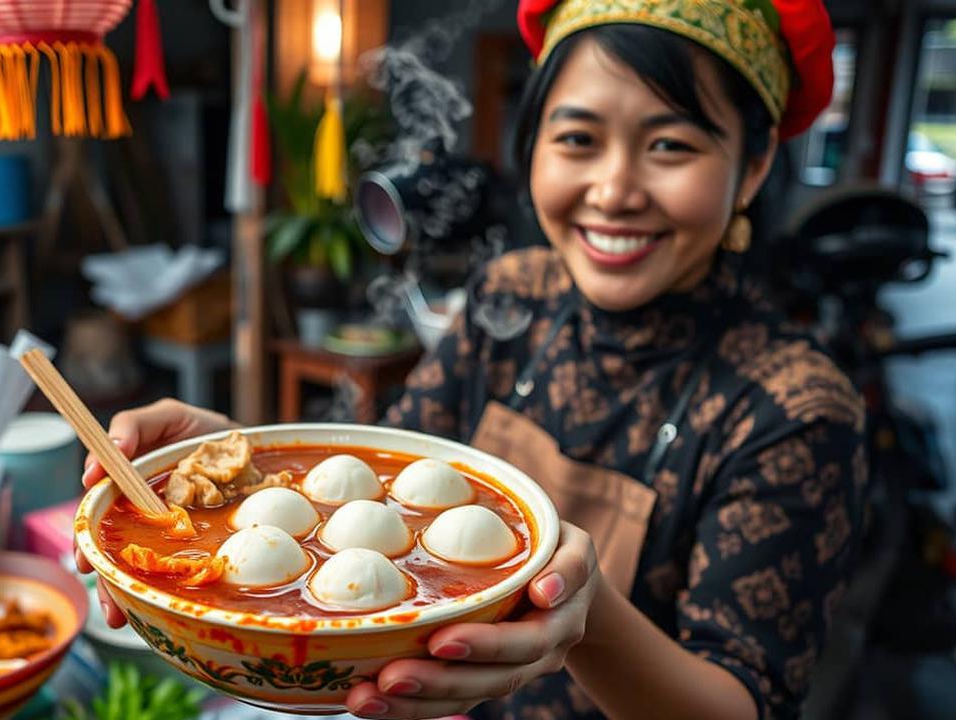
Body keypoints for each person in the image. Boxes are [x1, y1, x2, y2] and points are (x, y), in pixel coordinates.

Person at [78, 1, 866, 718]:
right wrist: (240, 471)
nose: (615, 188)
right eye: (578, 140)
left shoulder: (795, 407)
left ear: (753, 168)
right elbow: (386, 480)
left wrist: (586, 612)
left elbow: (744, 704)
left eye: (671, 144)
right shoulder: (512, 293)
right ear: (534, 149)